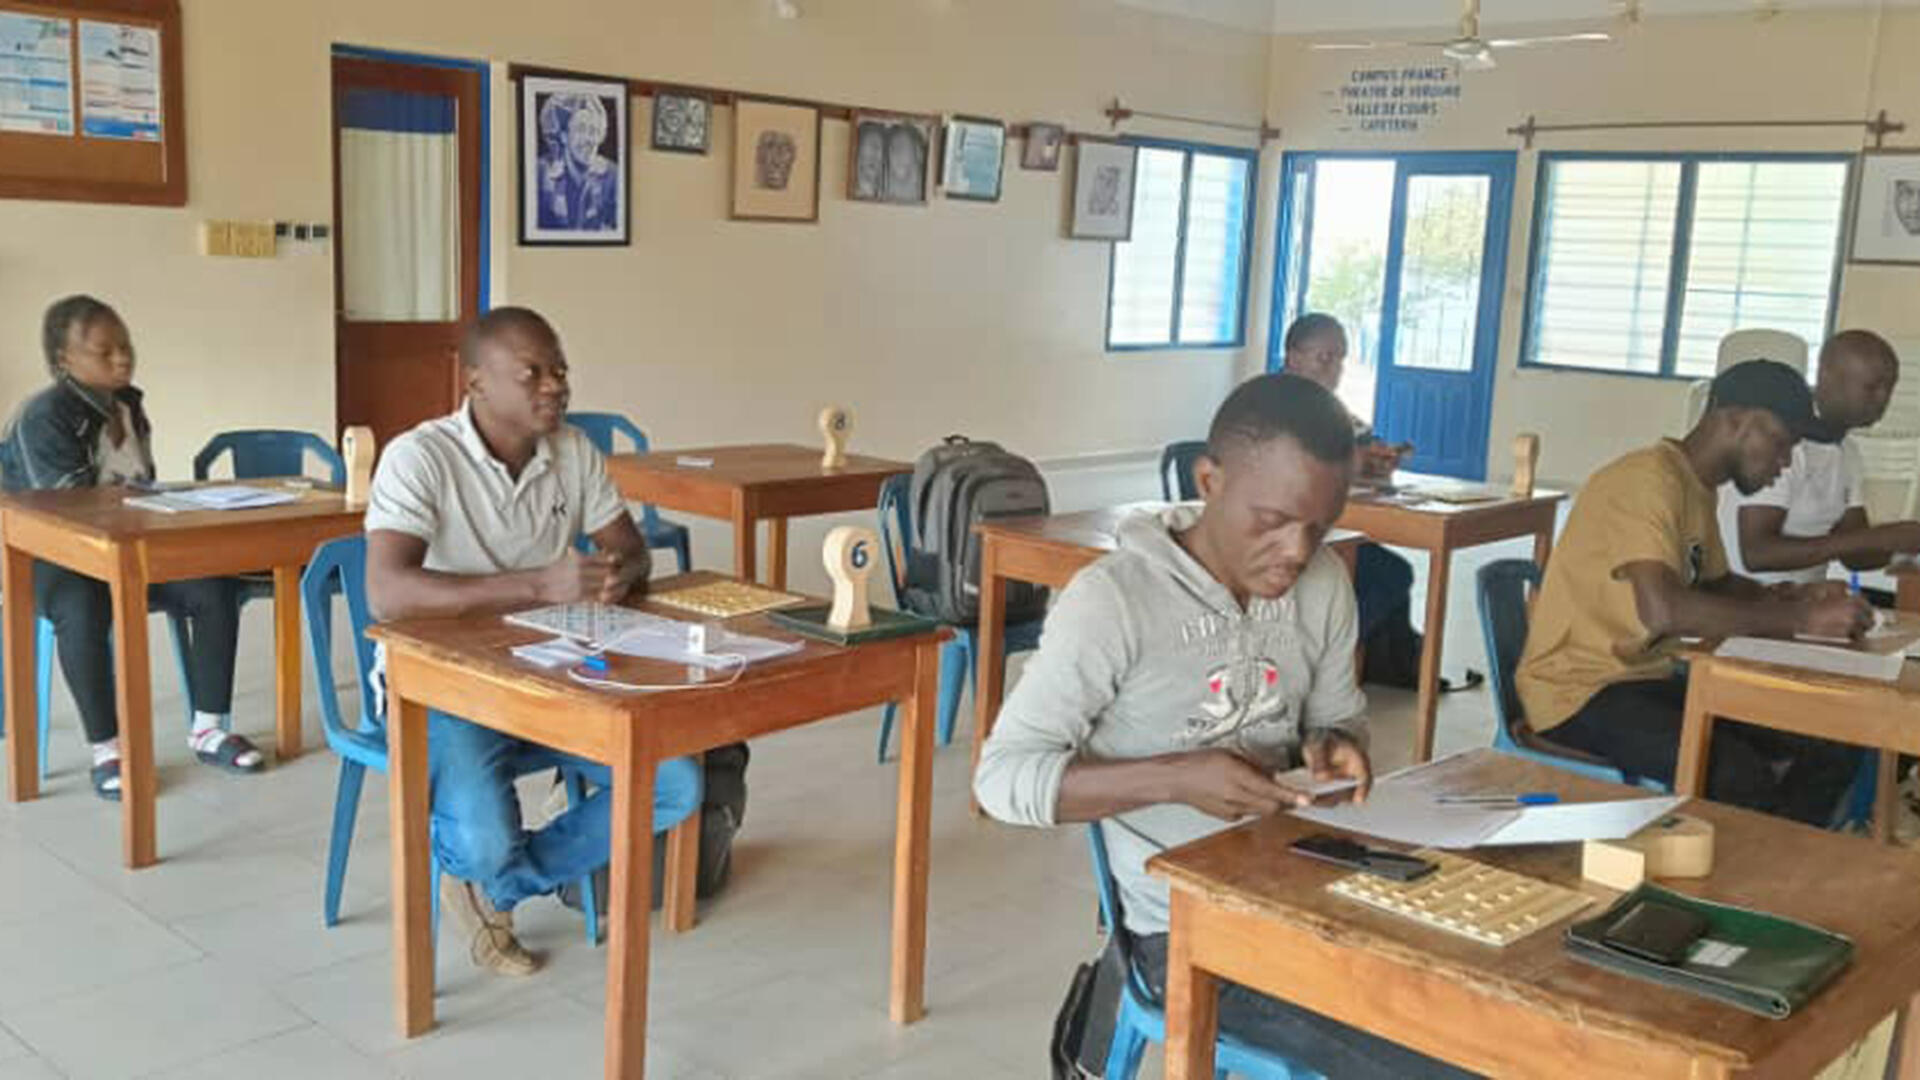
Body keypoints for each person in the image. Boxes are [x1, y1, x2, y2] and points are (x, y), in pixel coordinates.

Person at [975, 373, 1472, 1079]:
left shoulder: (1325, 581)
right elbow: (1001, 780)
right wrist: (1177, 779)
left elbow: (1339, 718)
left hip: (1310, 884)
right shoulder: (1113, 602)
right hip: (1179, 925)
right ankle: (1111, 987)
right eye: (1271, 521)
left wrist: (1337, 748)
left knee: (1493, 1009)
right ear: (1209, 480)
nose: (1298, 551)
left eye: (1319, 526)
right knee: (1441, 1060)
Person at [364, 306, 701, 975]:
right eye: (532, 373)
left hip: (551, 669)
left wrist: (615, 577)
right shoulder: (420, 457)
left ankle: (497, 887)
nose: (555, 386)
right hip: (441, 681)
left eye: (561, 370)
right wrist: (536, 587)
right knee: (486, 836)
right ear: (476, 383)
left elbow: (634, 554)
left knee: (674, 782)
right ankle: (486, 867)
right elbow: (388, 593)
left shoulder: (573, 451)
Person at [1516, 359, 1867, 825]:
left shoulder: (1698, 488)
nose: (1783, 465)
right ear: (1734, 420)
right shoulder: (1645, 481)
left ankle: (1774, 861)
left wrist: (1796, 597)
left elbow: (1718, 584)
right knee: (1736, 772)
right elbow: (1665, 611)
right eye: (1780, 444)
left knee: (1830, 742)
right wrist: (1800, 622)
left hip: (1643, 676)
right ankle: (1755, 871)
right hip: (1578, 690)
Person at [0, 295, 259, 801]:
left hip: (124, 546)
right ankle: (107, 749)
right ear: (63, 360)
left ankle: (208, 728)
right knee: (83, 603)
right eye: (105, 351)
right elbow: (66, 510)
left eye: (126, 347)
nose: (122, 359)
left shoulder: (128, 403)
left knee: (211, 582)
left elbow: (140, 487)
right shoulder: (44, 416)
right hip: (47, 554)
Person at [1280, 313, 1441, 688]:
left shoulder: (1333, 408)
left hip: (1330, 527)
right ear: (1292, 357)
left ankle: (1381, 662)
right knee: (1389, 574)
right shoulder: (1275, 402)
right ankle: (1321, 660)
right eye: (1325, 358)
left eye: (1340, 359)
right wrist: (1350, 462)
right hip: (1285, 530)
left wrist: (1381, 460)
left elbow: (1363, 448)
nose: (1334, 369)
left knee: (1385, 567)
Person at [1719, 331, 1920, 586]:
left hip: (1799, 607)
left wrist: (1905, 545)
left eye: (1889, 388)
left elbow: (1855, 556)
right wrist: (1876, 537)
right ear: (1827, 378)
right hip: (1739, 607)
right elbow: (1757, 553)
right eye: (1871, 387)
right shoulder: (1781, 446)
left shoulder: (1847, 452)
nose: (1882, 399)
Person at [536, 93, 619, 232]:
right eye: (581, 130)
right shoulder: (540, 172)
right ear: (563, 136)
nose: (589, 140)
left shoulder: (613, 176)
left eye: (594, 131)